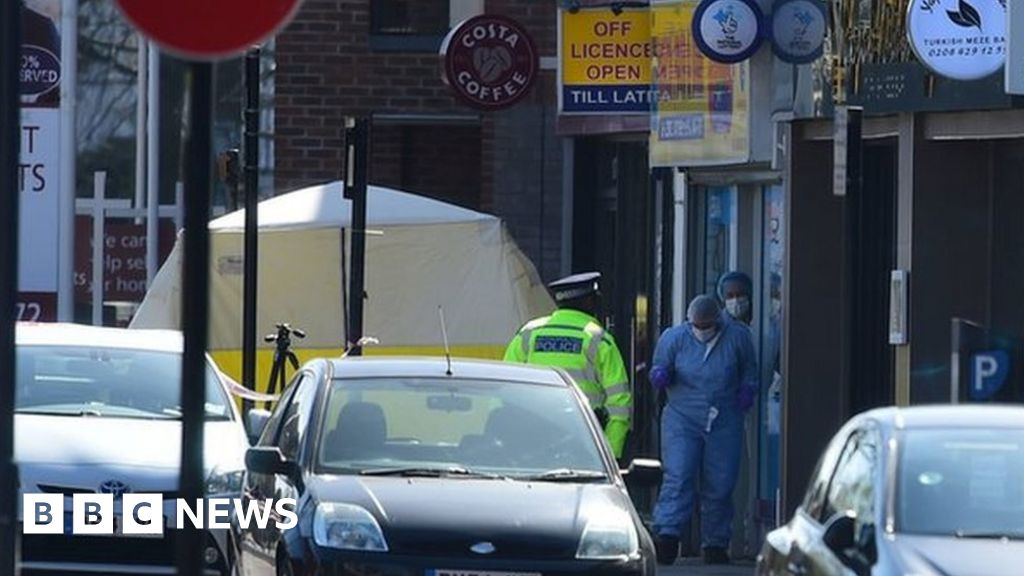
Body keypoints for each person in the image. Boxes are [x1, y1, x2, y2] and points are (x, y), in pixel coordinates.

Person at [648, 294, 758, 565]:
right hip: (682, 417)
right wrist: (660, 375)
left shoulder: (737, 338)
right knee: (679, 473)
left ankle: (716, 542)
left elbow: (749, 370)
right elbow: (659, 366)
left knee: (720, 481)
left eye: (706, 325)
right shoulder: (674, 339)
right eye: (697, 325)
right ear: (689, 322)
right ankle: (667, 535)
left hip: (724, 417)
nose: (701, 330)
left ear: (717, 320)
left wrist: (747, 390)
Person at [504, 272, 632, 459]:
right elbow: (619, 404)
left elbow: (505, 389)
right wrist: (611, 454)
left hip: (530, 440)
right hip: (582, 443)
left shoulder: (528, 334)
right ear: (589, 302)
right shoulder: (599, 340)